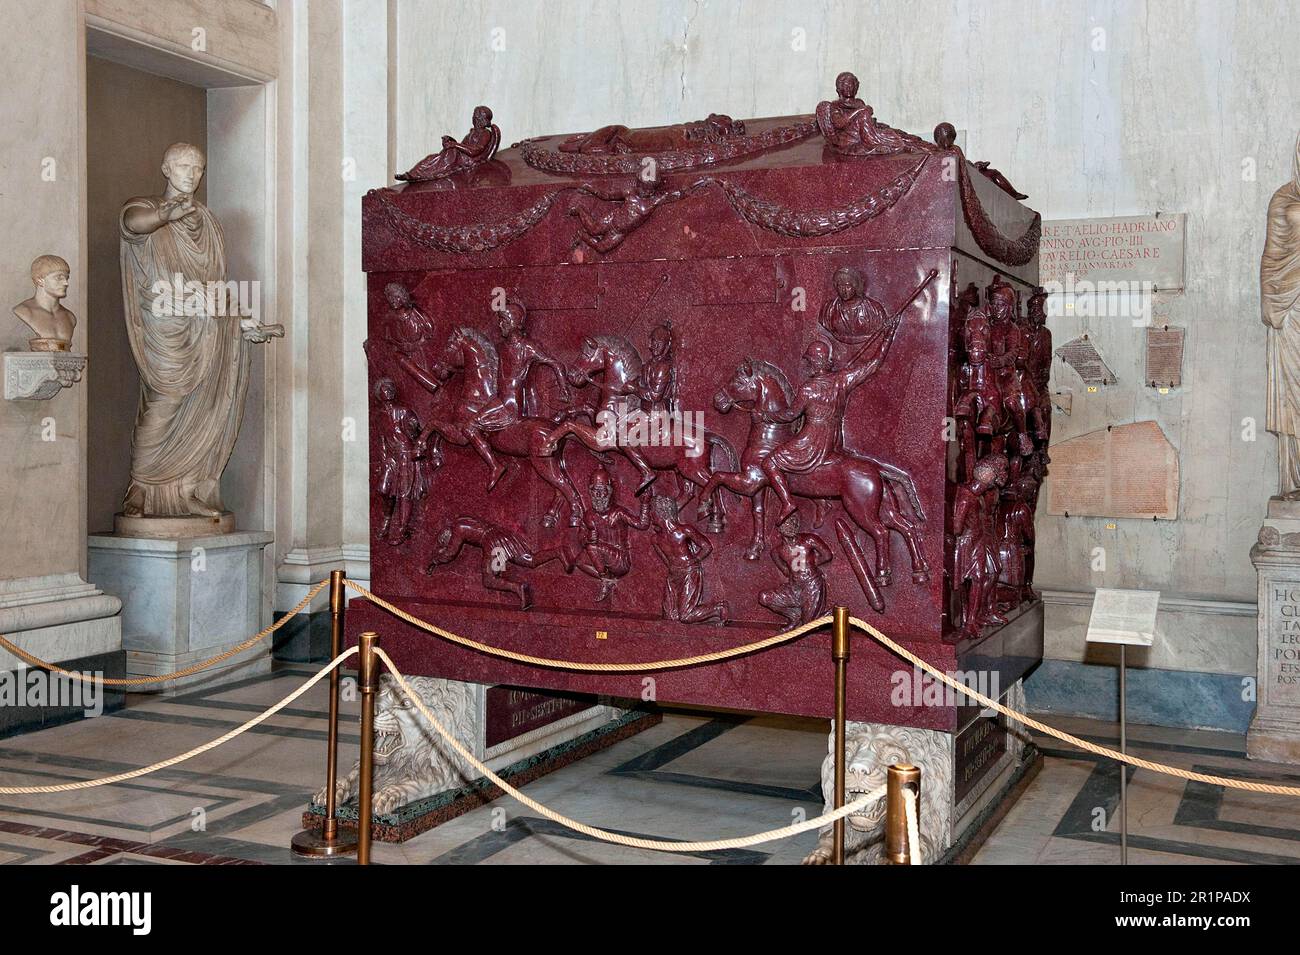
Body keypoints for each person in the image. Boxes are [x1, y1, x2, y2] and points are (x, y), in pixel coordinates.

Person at [119, 142, 281, 520]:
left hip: (208, 327)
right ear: (165, 169)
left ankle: (190, 486)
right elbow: (133, 226)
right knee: (168, 398)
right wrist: (166, 214)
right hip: (165, 323)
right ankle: (141, 485)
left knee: (207, 404)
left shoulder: (208, 222)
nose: (191, 174)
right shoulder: (142, 207)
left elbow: (215, 283)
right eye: (183, 166)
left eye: (198, 168)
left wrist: (243, 322)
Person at [1263, 133, 1300, 498]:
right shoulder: (1285, 197)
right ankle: (1294, 483)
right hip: (1291, 306)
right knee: (1293, 396)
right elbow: (1272, 255)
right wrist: (1271, 303)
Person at [650, 496, 728, 625]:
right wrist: (674, 568)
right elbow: (665, 559)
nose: (651, 515)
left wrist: (693, 561)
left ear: (661, 512)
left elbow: (706, 546)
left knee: (686, 616)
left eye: (652, 511)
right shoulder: (656, 539)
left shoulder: (684, 531)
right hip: (674, 575)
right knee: (670, 616)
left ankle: (718, 609)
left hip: (689, 572)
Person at [759, 512, 832, 626]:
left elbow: (827, 555)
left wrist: (809, 565)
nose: (792, 525)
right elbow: (785, 571)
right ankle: (795, 616)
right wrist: (794, 573)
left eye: (794, 522)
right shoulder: (777, 551)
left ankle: (833, 615)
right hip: (794, 587)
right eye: (787, 523)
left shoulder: (809, 540)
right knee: (765, 598)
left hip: (811, 585)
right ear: (780, 528)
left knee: (807, 626)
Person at [396, 105, 500, 181]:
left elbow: (474, 151)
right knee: (432, 158)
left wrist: (454, 145)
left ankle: (419, 175)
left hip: (467, 161)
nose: (474, 118)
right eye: (474, 115)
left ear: (482, 120)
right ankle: (413, 174)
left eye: (476, 116)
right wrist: (451, 141)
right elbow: (462, 146)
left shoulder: (485, 134)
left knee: (438, 162)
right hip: (459, 157)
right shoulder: (472, 133)